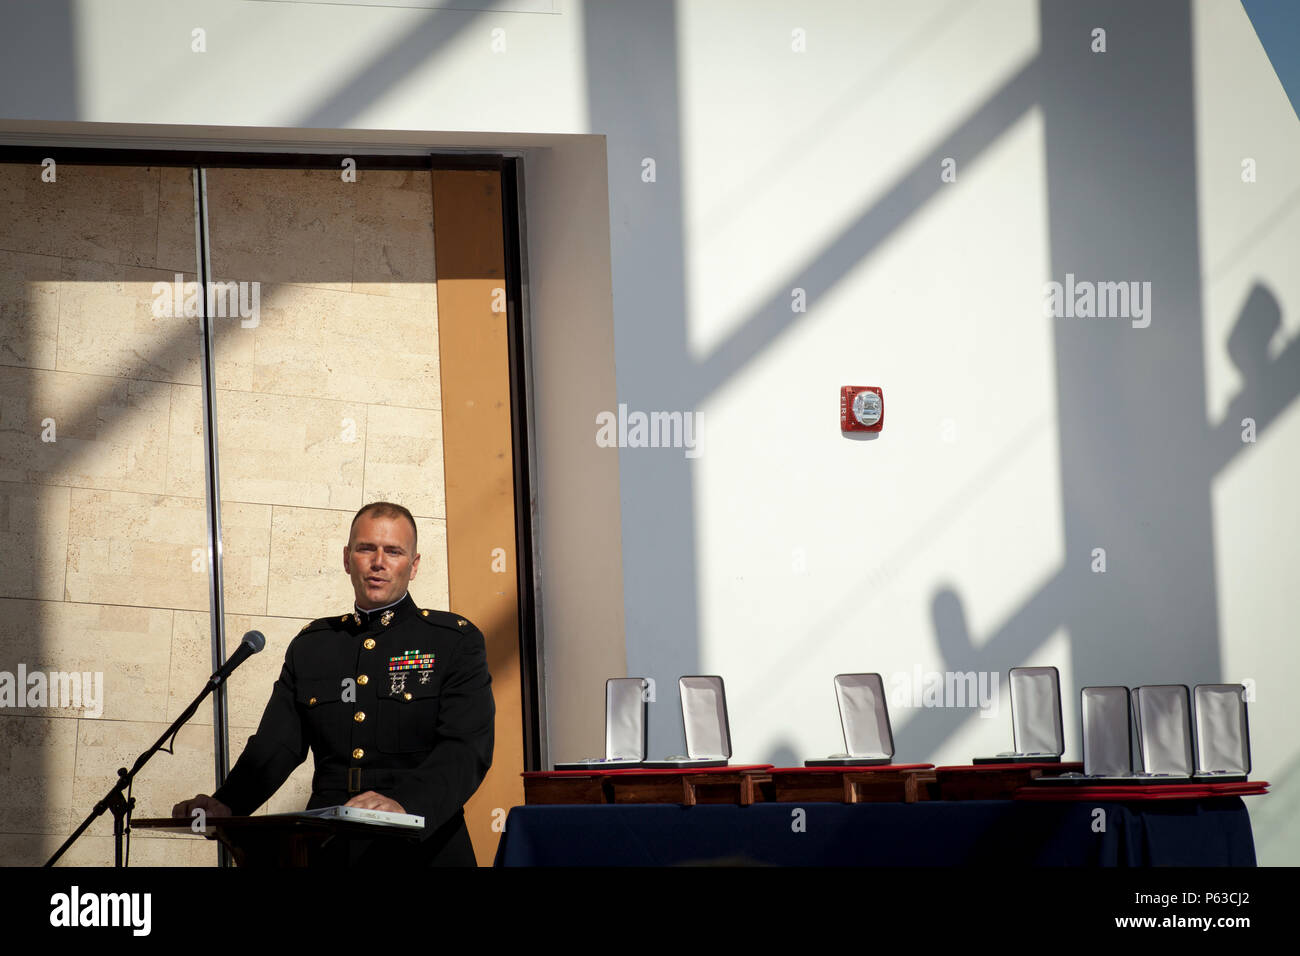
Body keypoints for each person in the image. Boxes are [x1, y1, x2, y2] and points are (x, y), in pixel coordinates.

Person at [173, 501, 495, 866]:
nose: (378, 562)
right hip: (328, 850)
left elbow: (466, 748)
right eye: (366, 548)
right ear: (347, 559)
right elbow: (275, 746)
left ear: (414, 565)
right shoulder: (313, 646)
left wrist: (406, 805)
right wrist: (228, 801)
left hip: (423, 849)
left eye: (393, 551)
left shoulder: (453, 642)